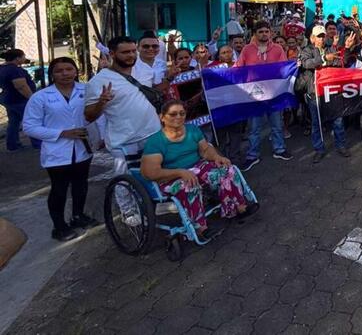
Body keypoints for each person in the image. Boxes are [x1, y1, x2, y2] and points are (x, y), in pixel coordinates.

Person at [140, 100, 255, 236]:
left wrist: (216, 157)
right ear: (162, 117)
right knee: (190, 185)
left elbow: (205, 150)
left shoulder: (192, 130)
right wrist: (180, 172)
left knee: (227, 170)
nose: (178, 117)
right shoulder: (156, 141)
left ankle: (237, 208)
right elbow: (150, 173)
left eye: (182, 113)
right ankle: (200, 227)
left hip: (196, 167)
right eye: (173, 114)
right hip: (171, 177)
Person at [22, 57, 99, 241]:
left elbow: (97, 115)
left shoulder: (87, 89)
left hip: (83, 147)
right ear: (52, 74)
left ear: (76, 71)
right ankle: (59, 227)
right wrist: (62, 133)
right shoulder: (41, 97)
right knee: (59, 189)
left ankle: (78, 216)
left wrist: (100, 137)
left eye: (69, 69)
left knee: (81, 185)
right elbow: (29, 126)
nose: (65, 74)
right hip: (57, 151)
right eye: (59, 70)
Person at [84, 36, 161, 175]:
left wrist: (169, 78)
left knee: (155, 179)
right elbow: (89, 116)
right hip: (125, 142)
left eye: (133, 51)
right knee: (125, 186)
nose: (131, 55)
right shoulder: (98, 81)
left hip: (153, 135)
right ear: (112, 54)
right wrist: (101, 102)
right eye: (125, 52)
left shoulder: (145, 71)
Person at [235, 20, 290, 170]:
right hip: (254, 95)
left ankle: (279, 149)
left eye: (266, 31)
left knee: (277, 124)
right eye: (260, 32)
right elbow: (238, 68)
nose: (264, 34)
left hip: (274, 94)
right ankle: (253, 155)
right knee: (254, 127)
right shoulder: (247, 50)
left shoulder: (278, 49)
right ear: (255, 34)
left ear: (270, 32)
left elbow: (283, 68)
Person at [297, 25, 349, 163]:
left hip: (332, 91)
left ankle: (341, 145)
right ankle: (319, 149)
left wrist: (345, 50)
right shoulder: (306, 50)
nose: (321, 38)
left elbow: (340, 63)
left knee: (338, 120)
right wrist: (325, 59)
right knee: (317, 123)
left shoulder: (331, 48)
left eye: (323, 36)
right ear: (312, 38)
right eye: (318, 36)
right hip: (315, 93)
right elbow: (307, 64)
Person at [0, 49, 37, 151]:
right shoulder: (14, 70)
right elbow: (21, 86)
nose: (25, 58)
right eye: (23, 56)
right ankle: (37, 143)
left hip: (8, 98)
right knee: (31, 120)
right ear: (17, 58)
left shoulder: (2, 68)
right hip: (19, 99)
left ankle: (13, 145)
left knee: (14, 122)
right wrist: (32, 98)